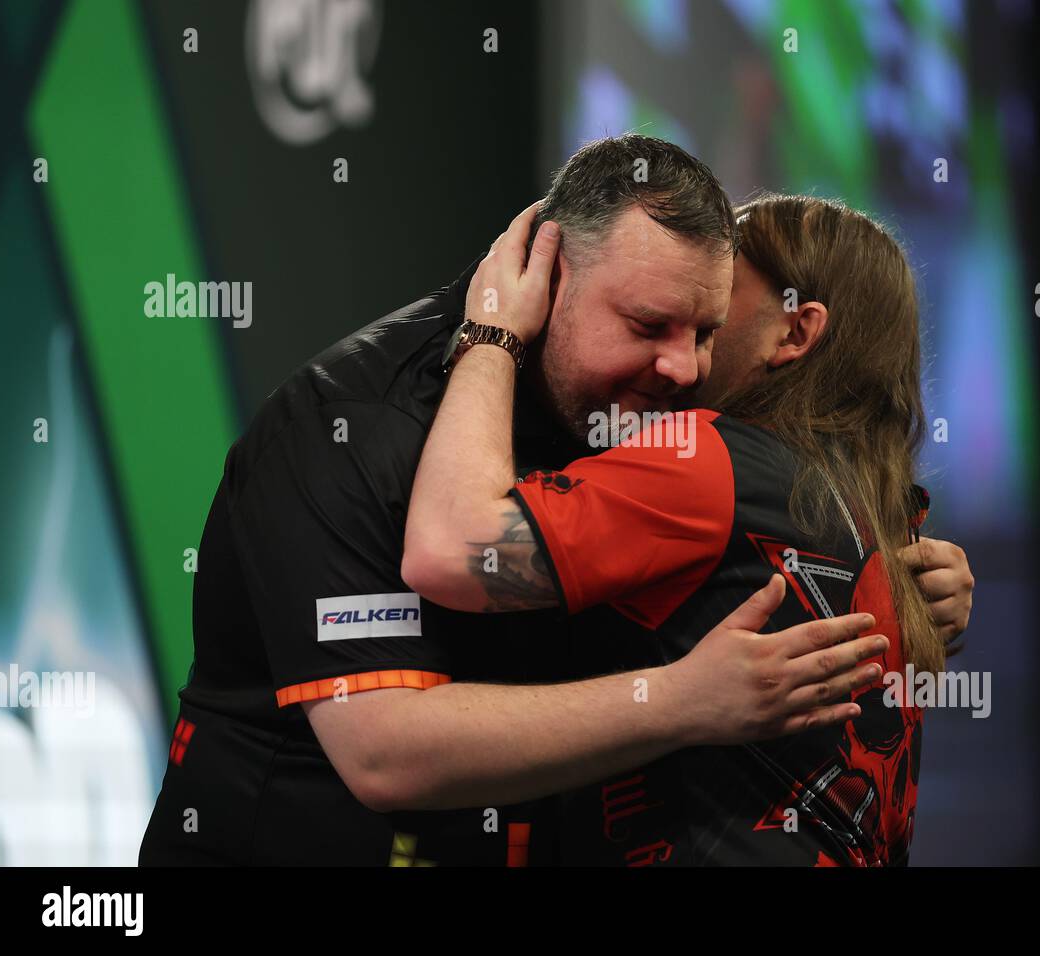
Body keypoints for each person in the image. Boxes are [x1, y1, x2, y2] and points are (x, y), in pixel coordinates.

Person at [139, 135, 971, 867]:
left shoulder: (670, 425)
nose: (683, 368)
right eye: (650, 325)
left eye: (707, 332)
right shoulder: (350, 425)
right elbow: (384, 752)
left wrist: (907, 584)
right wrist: (680, 700)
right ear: (548, 274)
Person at [404, 192, 962, 865]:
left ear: (794, 331)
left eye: (723, 291)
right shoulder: (885, 514)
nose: (699, 314)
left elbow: (449, 553)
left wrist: (492, 336)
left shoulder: (710, 460)